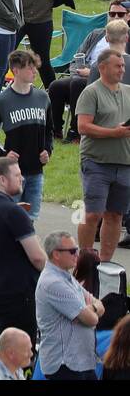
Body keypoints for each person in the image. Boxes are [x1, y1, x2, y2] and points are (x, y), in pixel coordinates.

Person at [0, 156, 47, 351]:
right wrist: (56, 275)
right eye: (17, 175)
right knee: (18, 357)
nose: (22, 178)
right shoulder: (13, 212)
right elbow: (38, 257)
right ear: (2, 180)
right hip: (15, 299)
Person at [75, 48, 130, 261]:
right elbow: (83, 127)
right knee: (92, 214)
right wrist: (113, 133)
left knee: (115, 215)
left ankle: (105, 264)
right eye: (118, 66)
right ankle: (85, 260)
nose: (122, 69)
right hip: (96, 163)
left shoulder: (127, 91)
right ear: (102, 67)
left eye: (123, 66)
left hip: (124, 163)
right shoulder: (91, 92)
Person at [36, 230, 104, 380]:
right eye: (72, 251)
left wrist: (87, 310)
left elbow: (100, 304)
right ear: (56, 254)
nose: (77, 255)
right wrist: (90, 311)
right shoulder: (54, 283)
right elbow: (92, 319)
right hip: (65, 365)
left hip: (81, 362)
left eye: (77, 250)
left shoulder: (66, 277)